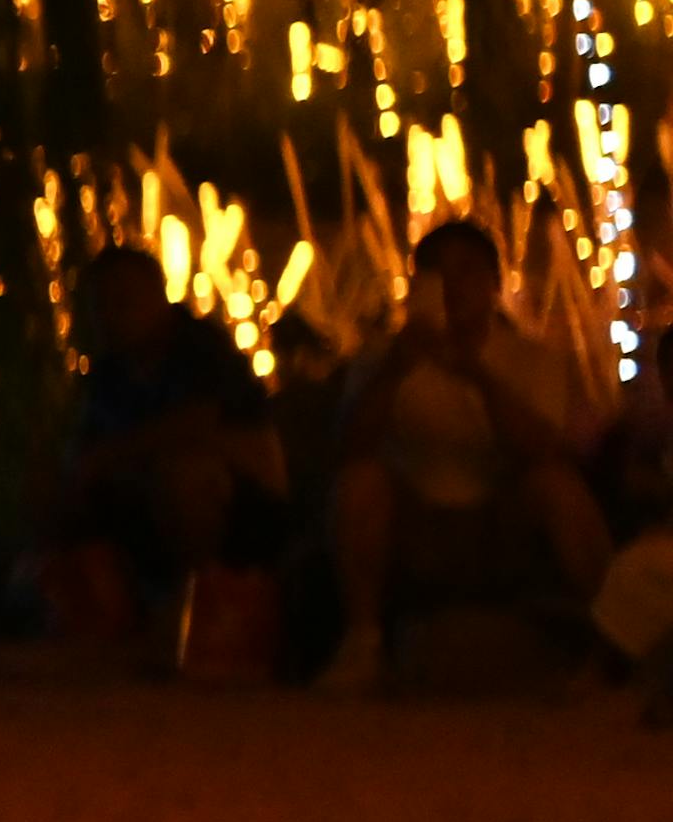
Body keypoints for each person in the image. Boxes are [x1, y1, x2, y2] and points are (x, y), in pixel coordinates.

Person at [319, 216, 619, 694]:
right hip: (414, 519)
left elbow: (542, 450)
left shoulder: (532, 359)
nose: (451, 287)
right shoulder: (381, 359)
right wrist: (394, 371)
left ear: (494, 284)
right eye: (436, 273)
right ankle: (363, 643)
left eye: (466, 271)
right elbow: (348, 447)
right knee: (359, 484)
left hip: (499, 520)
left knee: (558, 488)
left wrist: (478, 377)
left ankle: (612, 643)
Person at [40, 241, 288, 656]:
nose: (111, 316)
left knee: (183, 475)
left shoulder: (200, 347)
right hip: (147, 503)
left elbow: (195, 424)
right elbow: (85, 449)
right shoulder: (109, 372)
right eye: (101, 305)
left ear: (158, 297)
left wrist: (112, 456)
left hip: (239, 508)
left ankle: (197, 605)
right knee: (61, 479)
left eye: (124, 301)